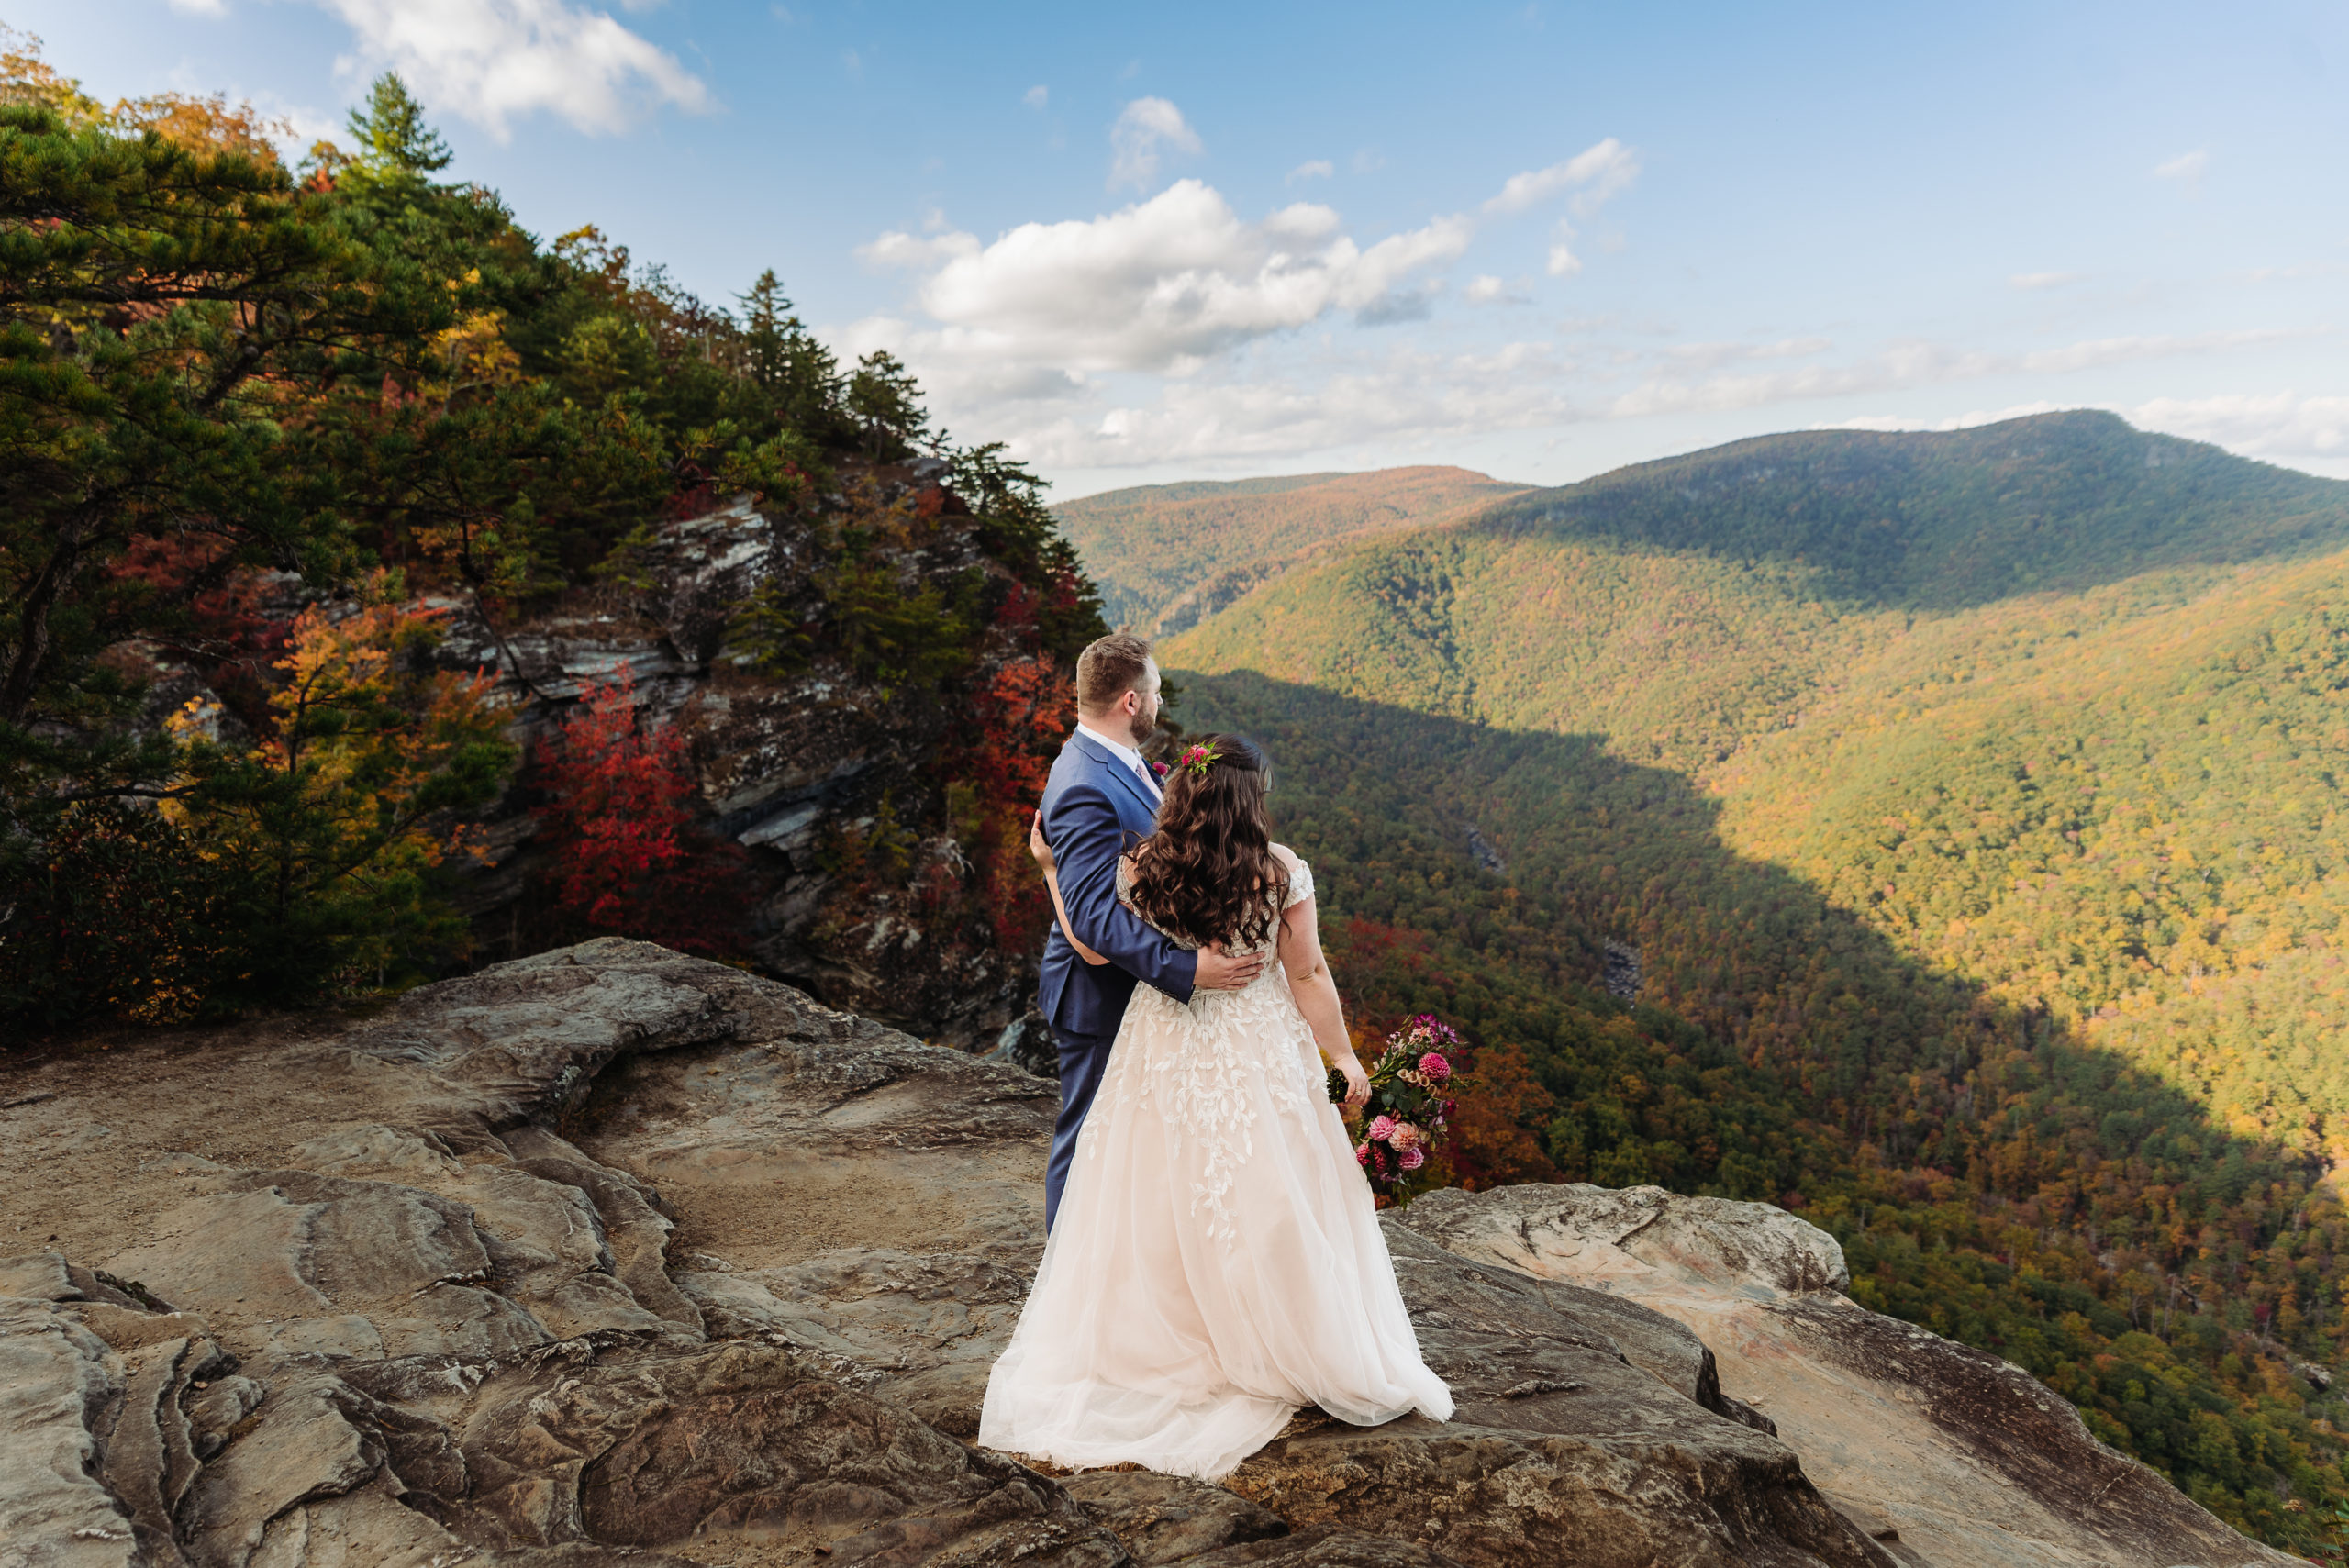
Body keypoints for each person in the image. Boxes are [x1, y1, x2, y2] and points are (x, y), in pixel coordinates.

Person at [980, 732, 1453, 1481]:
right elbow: (1310, 975)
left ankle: (1165, 1339)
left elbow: (1094, 947)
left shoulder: (1139, 868)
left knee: (1158, 1192)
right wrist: (1342, 1056)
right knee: (1267, 1188)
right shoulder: (1280, 872)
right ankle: (1276, 1335)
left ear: (1183, 799)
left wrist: (1049, 871)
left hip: (1162, 1044)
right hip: (1255, 1048)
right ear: (1248, 802)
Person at [1034, 634, 1262, 1229]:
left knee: (1128, 1143)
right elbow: (1091, 913)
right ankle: (1065, 1282)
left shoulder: (1112, 759)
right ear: (1131, 701)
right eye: (1157, 691)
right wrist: (1187, 968)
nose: (1162, 702)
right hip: (1096, 994)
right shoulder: (1085, 782)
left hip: (1127, 991)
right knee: (1087, 1139)